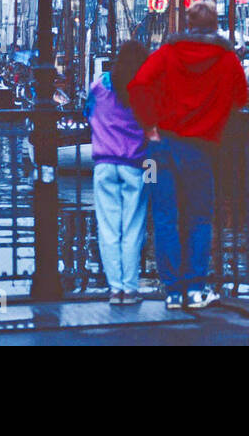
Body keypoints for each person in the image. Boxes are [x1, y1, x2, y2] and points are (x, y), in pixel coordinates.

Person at [128, 1, 248, 310]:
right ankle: (195, 289)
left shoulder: (167, 53)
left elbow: (138, 84)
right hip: (199, 148)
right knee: (199, 217)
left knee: (164, 215)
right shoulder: (226, 58)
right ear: (216, 24)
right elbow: (241, 97)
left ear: (188, 23)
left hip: (158, 148)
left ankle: (171, 291)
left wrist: (149, 126)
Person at [85, 40, 150, 305]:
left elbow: (88, 114)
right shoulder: (143, 90)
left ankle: (115, 289)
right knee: (133, 228)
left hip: (103, 164)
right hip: (134, 165)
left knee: (108, 228)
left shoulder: (99, 86)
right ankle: (130, 288)